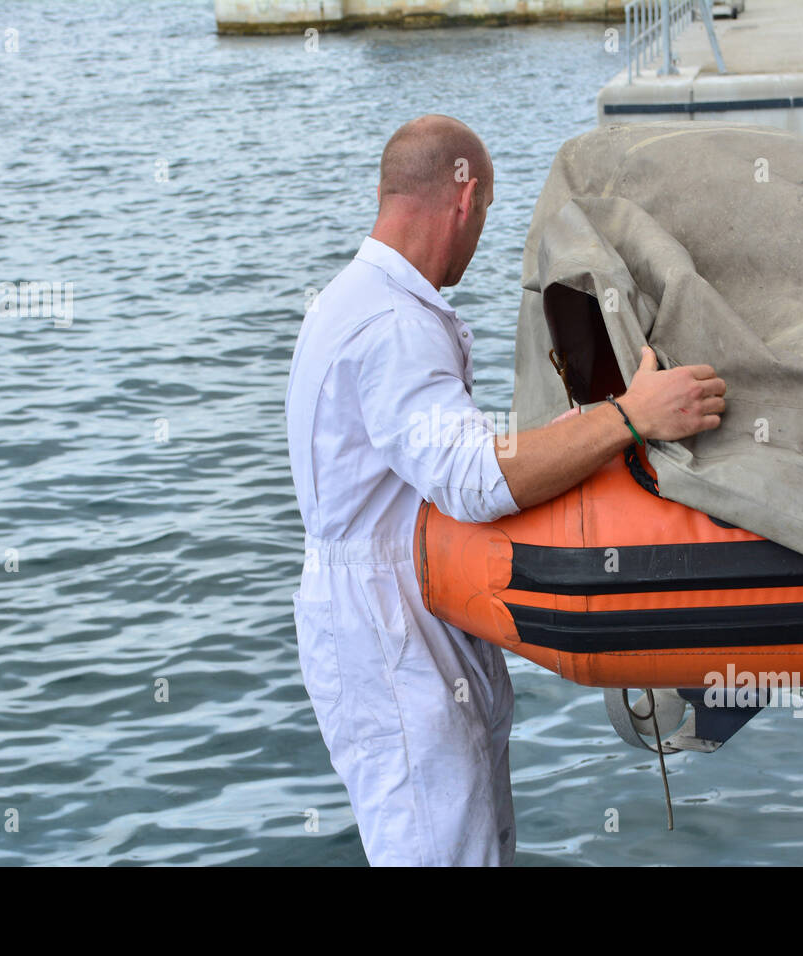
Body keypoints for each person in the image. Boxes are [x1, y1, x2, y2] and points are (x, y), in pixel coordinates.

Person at [285, 114, 726, 866]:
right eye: (484, 215)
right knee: (439, 850)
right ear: (466, 199)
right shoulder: (391, 324)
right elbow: (474, 477)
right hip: (391, 630)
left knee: (470, 842)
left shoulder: (360, 300)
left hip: (403, 604)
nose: (480, 232)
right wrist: (628, 417)